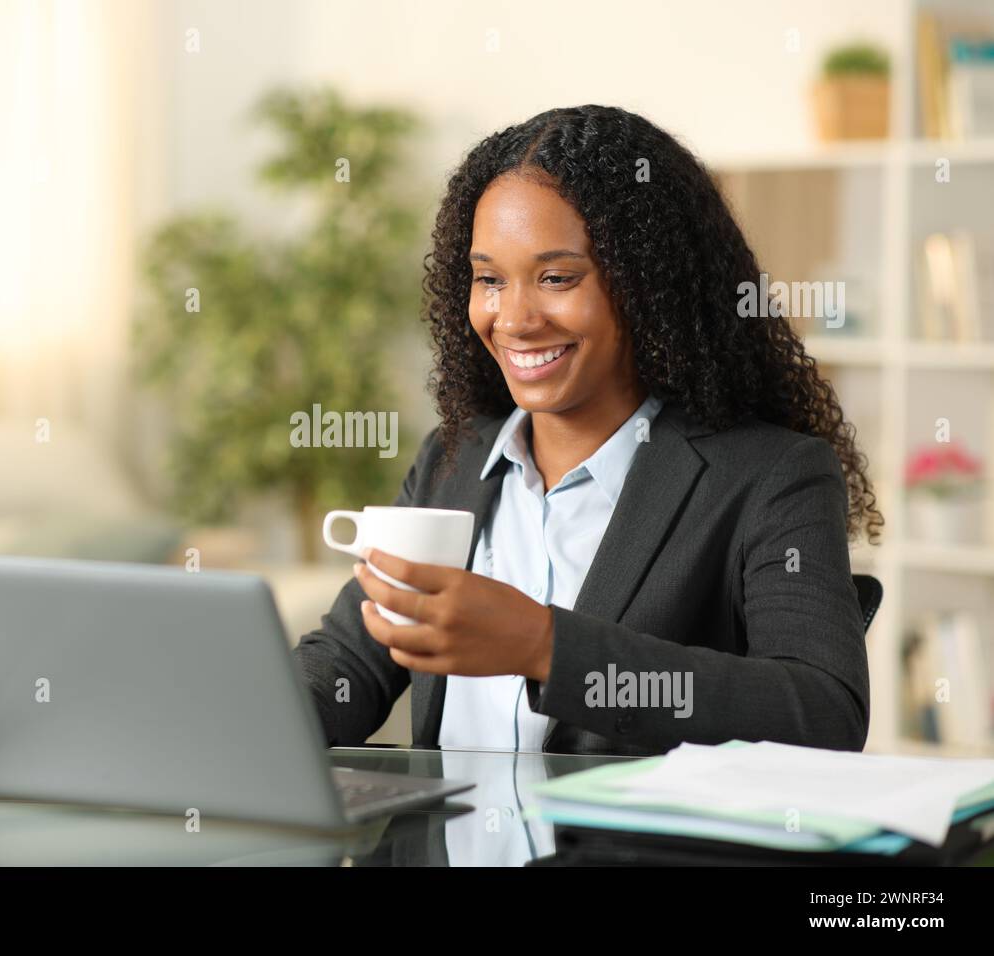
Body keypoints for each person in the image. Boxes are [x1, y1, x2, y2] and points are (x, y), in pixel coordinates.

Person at [293, 105, 879, 756]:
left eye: (556, 278)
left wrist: (544, 646)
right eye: (489, 279)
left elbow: (823, 713)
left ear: (645, 285)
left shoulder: (771, 476)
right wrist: (243, 716)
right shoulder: (453, 459)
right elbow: (347, 664)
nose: (513, 318)